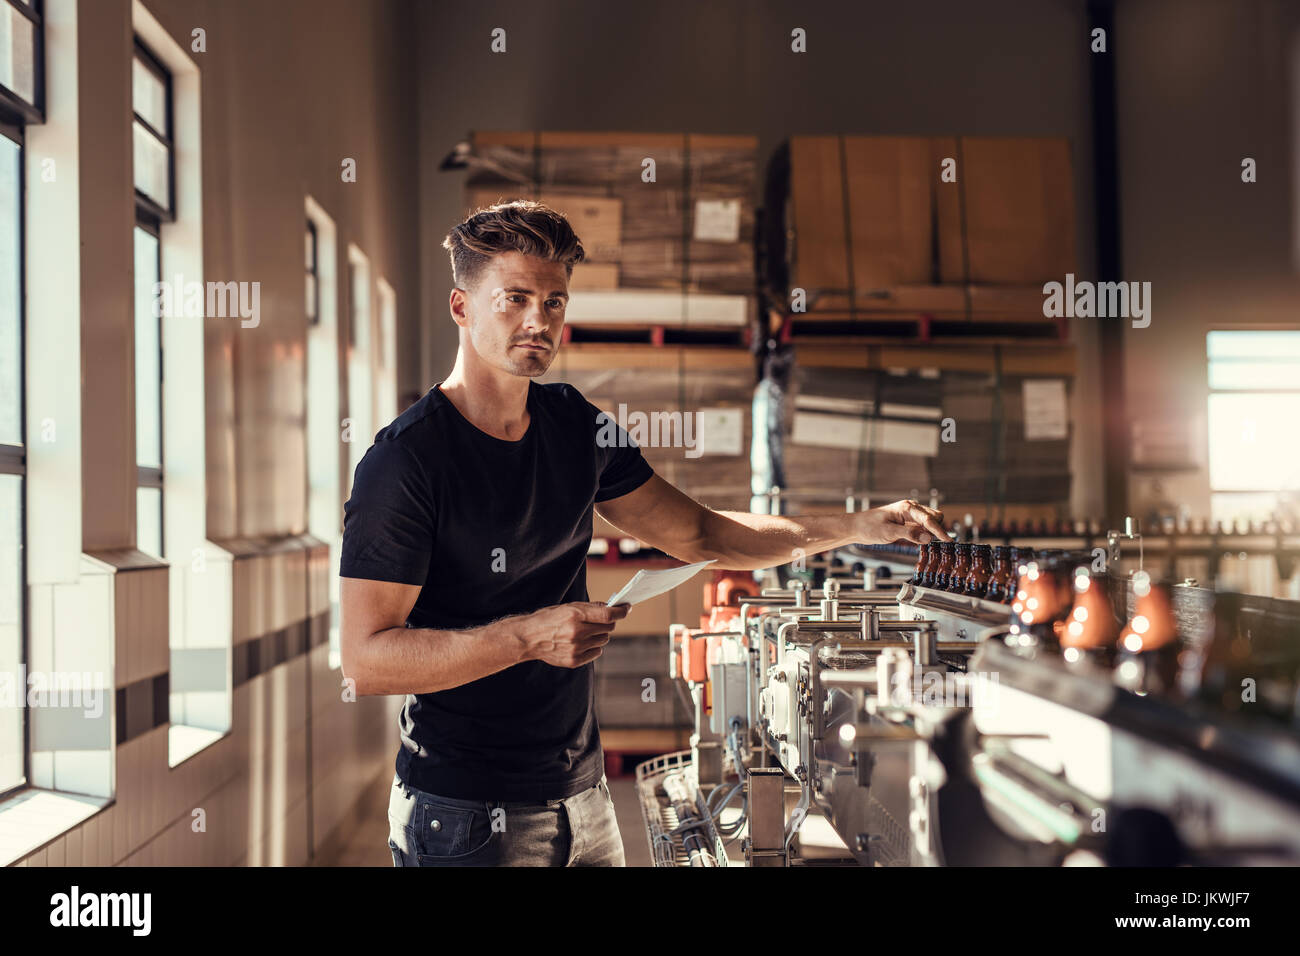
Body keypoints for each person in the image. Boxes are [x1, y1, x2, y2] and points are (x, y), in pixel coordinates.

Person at [339, 200, 947, 867]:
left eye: (555, 302)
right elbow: (367, 661)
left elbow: (703, 533)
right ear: (462, 306)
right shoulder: (407, 461)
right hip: (462, 815)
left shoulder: (574, 426)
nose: (539, 321)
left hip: (584, 800)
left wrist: (861, 526)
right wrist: (528, 636)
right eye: (513, 299)